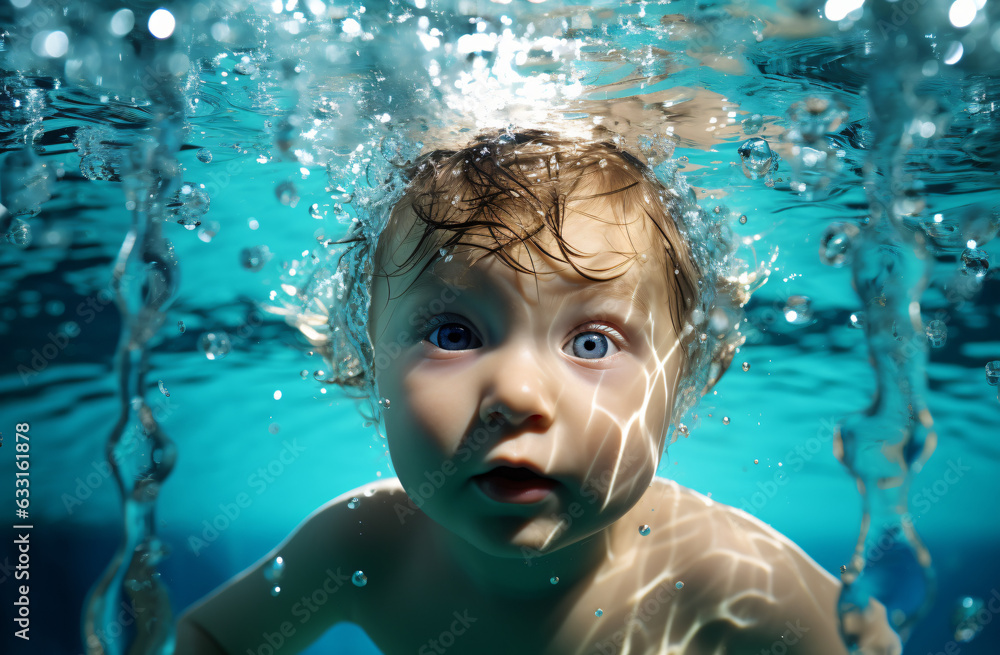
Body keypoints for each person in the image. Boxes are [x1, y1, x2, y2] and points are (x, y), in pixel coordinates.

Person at [176, 129, 900, 654]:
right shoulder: (366, 546)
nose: (517, 393)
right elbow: (207, 635)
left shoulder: (718, 572)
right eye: (454, 333)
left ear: (685, 379)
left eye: (592, 343)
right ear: (365, 361)